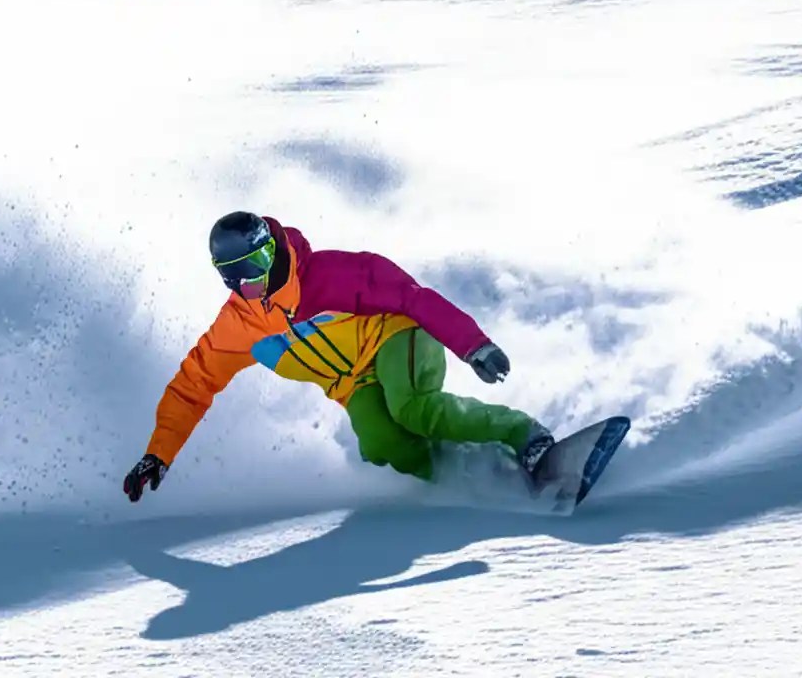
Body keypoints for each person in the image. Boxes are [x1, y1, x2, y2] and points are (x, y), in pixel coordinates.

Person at [122, 211, 556, 502]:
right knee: (380, 442)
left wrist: (472, 344)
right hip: (352, 382)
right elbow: (193, 385)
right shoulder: (238, 325)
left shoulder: (328, 276)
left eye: (253, 267)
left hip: (395, 335)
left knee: (412, 407)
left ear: (271, 252)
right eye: (230, 276)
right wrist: (158, 454)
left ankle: (525, 436)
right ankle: (476, 474)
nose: (245, 285)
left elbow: (412, 297)